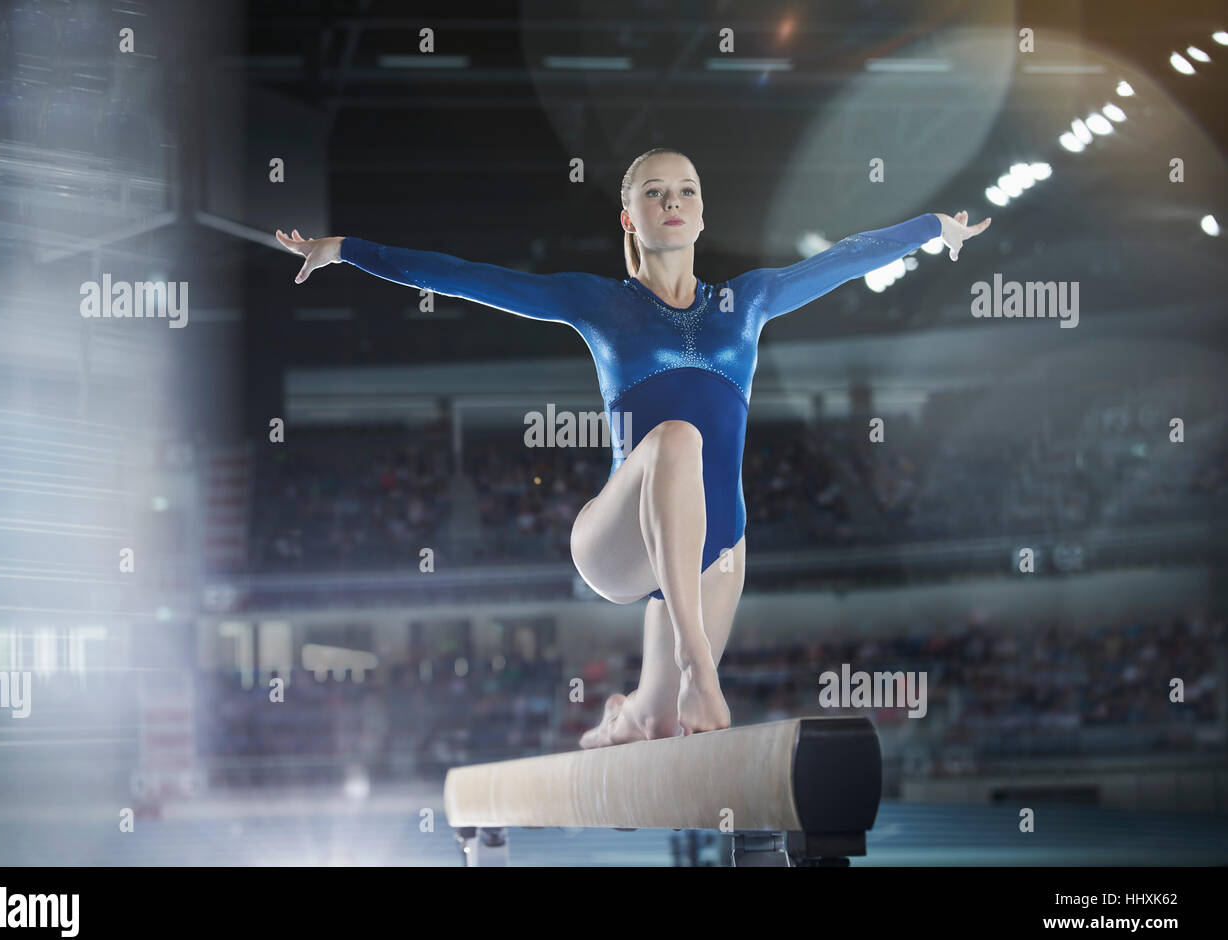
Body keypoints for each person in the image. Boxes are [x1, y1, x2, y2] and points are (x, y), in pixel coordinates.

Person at [275, 147, 991, 748]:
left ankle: (621, 719)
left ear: (703, 213)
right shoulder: (598, 302)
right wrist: (346, 250)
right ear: (631, 217)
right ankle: (695, 662)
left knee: (659, 719)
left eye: (686, 191)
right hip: (614, 542)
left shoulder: (752, 298)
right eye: (655, 192)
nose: (672, 201)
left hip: (714, 542)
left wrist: (934, 226)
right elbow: (469, 278)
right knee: (676, 440)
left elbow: (848, 257)